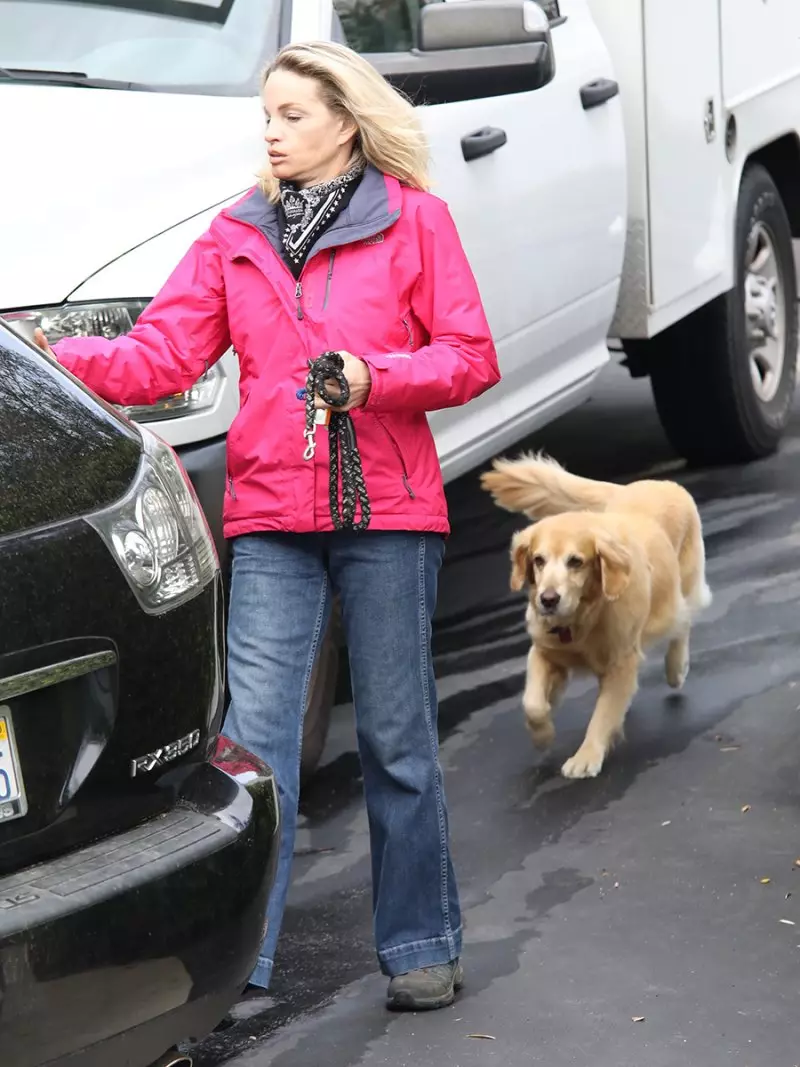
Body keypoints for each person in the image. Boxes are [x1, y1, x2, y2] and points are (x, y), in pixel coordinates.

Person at [37, 40, 500, 1011]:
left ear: (345, 117)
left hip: (388, 512)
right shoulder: (233, 235)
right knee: (253, 746)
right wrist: (52, 357)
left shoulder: (415, 223)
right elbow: (159, 355)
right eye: (268, 116)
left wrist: (376, 376)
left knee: (395, 737)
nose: (272, 132)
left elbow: (466, 355)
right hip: (271, 517)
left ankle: (420, 940)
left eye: (291, 114)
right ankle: (240, 961)